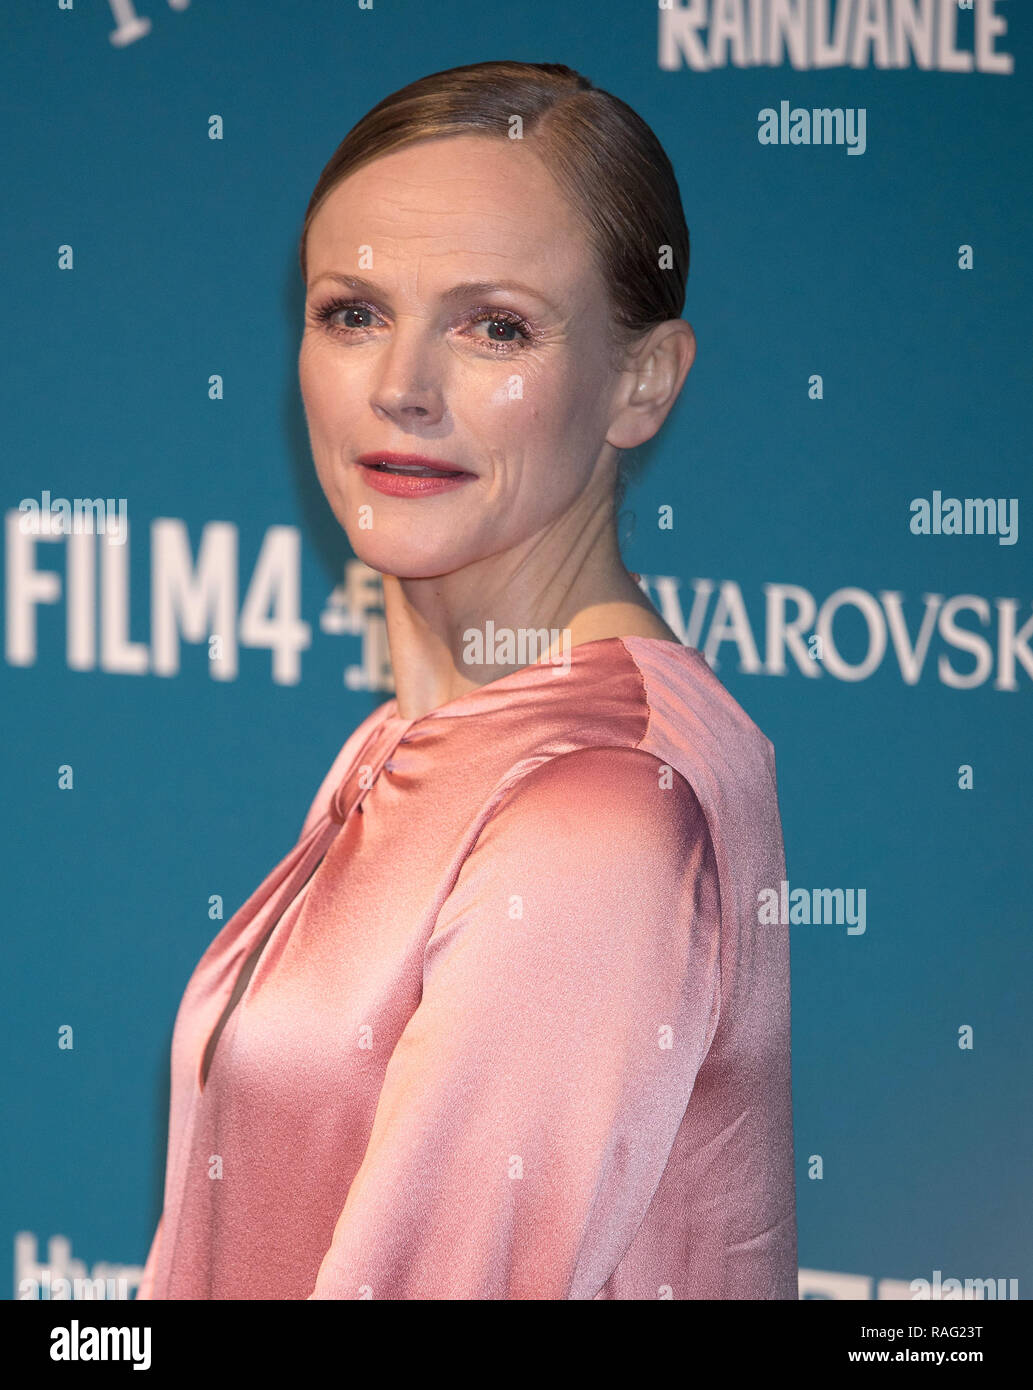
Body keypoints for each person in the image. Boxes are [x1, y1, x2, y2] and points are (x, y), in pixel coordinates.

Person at [136, 59, 796, 1300]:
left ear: (641, 380)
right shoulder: (423, 738)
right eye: (352, 312)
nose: (400, 388)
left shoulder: (593, 806)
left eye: (495, 326)